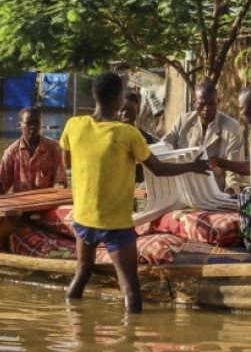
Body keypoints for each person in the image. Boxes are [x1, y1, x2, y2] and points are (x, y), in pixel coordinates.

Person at [60, 72, 209, 313]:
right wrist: (194, 166)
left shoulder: (74, 126)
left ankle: (74, 327)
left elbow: (67, 163)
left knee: (82, 271)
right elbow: (159, 170)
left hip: (83, 220)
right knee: (129, 287)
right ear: (119, 100)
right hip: (116, 225)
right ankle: (132, 338)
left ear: (95, 96)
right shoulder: (128, 134)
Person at [161, 82, 245, 193]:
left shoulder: (231, 128)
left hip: (215, 196)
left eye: (211, 104)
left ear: (218, 102)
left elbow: (233, 171)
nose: (207, 108)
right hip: (184, 193)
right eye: (202, 104)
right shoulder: (183, 122)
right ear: (194, 103)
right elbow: (164, 147)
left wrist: (229, 193)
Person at [0, 107, 66, 196]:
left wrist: (57, 191)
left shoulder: (53, 148)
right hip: (21, 203)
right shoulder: (11, 152)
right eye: (29, 123)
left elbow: (60, 180)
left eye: (37, 122)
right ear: (19, 125)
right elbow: (1, 184)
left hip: (47, 202)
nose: (33, 127)